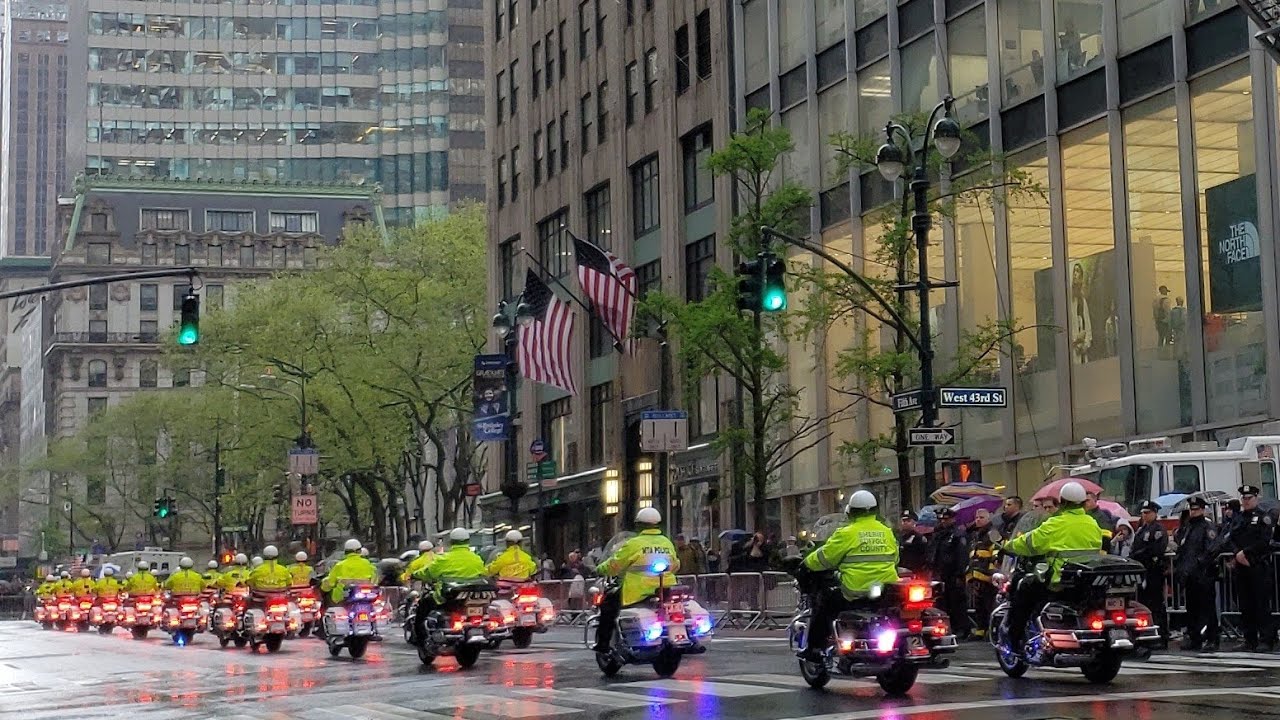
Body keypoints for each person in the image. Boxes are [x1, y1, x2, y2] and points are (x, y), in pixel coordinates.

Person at [1002, 481, 1104, 652]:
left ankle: (1015, 640)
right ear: (1082, 502)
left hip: (1058, 582)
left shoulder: (1055, 523)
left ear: (1062, 501)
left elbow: (1031, 542)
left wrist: (1008, 546)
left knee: (1022, 592)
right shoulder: (1092, 523)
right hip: (1084, 581)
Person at [798, 490, 898, 660]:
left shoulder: (846, 533)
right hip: (885, 588)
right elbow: (895, 558)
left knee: (824, 604)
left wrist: (806, 563)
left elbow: (823, 558)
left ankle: (815, 648)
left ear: (850, 511)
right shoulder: (887, 532)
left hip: (855, 590)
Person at [592, 508, 680, 654]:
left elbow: (614, 564)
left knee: (607, 607)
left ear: (639, 525)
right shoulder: (667, 542)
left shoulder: (634, 544)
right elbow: (676, 565)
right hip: (666, 589)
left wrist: (599, 569)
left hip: (638, 591)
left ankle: (603, 645)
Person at [411, 528, 488, 643]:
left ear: (451, 542)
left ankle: (420, 638)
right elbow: (483, 573)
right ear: (468, 541)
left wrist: (415, 575)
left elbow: (429, 572)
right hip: (471, 598)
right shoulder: (477, 559)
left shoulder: (443, 559)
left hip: (447, 599)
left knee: (423, 605)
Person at [1230, 485, 1278, 652]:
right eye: (1244, 498)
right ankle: (1249, 639)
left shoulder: (1262, 517)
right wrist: (1237, 553)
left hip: (1257, 564)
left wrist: (1246, 553)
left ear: (1256, 498)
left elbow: (1264, 541)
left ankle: (1266, 638)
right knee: (1245, 604)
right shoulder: (1239, 518)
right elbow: (1232, 537)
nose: (1246, 501)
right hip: (1241, 566)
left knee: (1261, 604)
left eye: (1249, 498)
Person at [1173, 496, 1220, 651]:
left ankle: (1212, 639)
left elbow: (1212, 549)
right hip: (1189, 574)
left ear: (1202, 509)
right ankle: (1194, 638)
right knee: (1191, 609)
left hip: (1203, 574)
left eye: (1196, 509)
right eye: (1191, 509)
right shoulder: (1187, 527)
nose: (1193, 512)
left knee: (1207, 608)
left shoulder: (1207, 526)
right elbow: (1182, 548)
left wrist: (1199, 563)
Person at [1130, 500, 1169, 647]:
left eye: (1147, 513)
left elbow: (1156, 550)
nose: (1144, 516)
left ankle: (1160, 635)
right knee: (1143, 604)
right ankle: (1146, 635)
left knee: (1156, 605)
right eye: (1143, 513)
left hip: (1153, 570)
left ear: (1154, 513)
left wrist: (1139, 555)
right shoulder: (1141, 529)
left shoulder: (1158, 530)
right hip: (1142, 571)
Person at [927, 507, 970, 639]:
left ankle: (962, 628)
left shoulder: (957, 534)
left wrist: (959, 574)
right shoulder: (938, 534)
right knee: (942, 602)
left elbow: (961, 555)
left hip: (953, 574)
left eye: (946, 519)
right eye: (941, 519)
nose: (943, 522)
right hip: (940, 574)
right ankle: (946, 628)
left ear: (953, 519)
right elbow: (934, 553)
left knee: (957, 602)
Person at [966, 509, 1000, 638]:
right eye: (976, 517)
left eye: (981, 517)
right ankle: (981, 630)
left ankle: (991, 631)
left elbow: (996, 553)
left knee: (989, 604)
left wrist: (993, 573)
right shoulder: (976, 534)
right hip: (976, 574)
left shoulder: (993, 533)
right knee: (978, 605)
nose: (978, 520)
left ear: (988, 518)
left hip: (988, 576)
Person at [320, 539, 379, 605]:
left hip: (342, 600)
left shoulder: (340, 565)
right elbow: (375, 581)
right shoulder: (368, 564)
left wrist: (323, 586)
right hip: (366, 598)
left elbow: (329, 583)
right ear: (359, 551)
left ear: (345, 552)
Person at [897, 510, 929, 575]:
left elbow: (924, 556)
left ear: (914, 523)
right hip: (901, 571)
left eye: (908, 521)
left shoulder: (919, 538)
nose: (905, 523)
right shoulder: (898, 537)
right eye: (903, 521)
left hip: (915, 572)